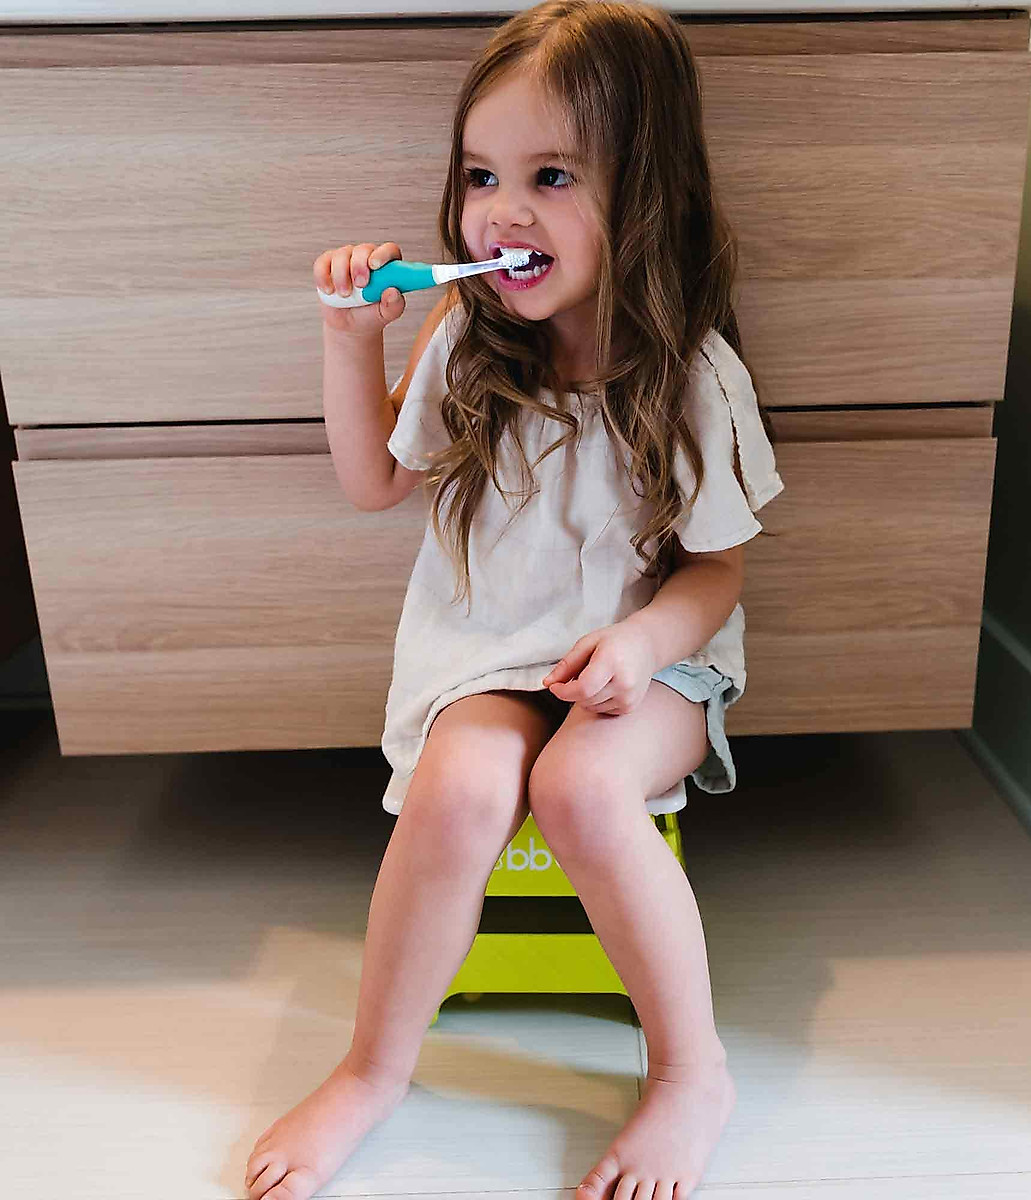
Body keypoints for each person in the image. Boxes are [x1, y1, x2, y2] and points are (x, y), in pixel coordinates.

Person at [245, 3, 784, 1198]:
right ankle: (373, 1069)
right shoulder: (468, 336)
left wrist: (640, 643)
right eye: (482, 176)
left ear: (643, 196)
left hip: (657, 666)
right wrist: (352, 341)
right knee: (460, 790)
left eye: (551, 177)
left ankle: (691, 1071)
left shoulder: (692, 376)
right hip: (494, 652)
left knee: (582, 786)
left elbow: (717, 572)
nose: (502, 212)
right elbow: (374, 482)